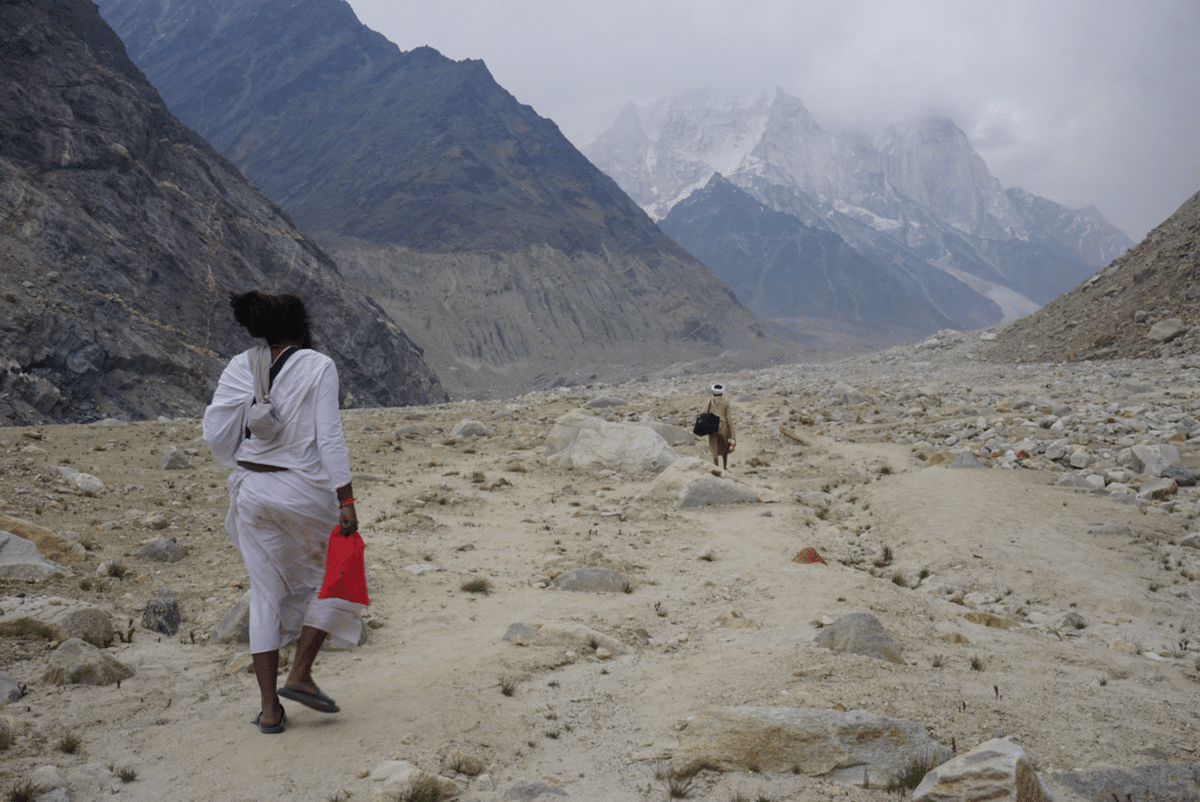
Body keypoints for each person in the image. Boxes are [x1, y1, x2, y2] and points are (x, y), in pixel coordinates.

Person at [202, 290, 362, 734]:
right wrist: (345, 499)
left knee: (266, 594)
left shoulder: (241, 366)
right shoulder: (318, 365)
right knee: (340, 570)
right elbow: (330, 438)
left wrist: (244, 456)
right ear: (299, 326)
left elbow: (215, 432)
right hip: (303, 493)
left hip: (251, 490)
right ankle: (301, 673)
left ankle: (270, 710)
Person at [705, 383, 735, 469]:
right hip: (723, 427)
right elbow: (729, 418)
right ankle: (724, 467)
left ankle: (716, 467)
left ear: (713, 392)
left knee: (714, 447)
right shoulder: (726, 402)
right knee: (724, 447)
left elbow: (703, 413)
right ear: (722, 392)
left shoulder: (709, 402)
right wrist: (732, 434)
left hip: (712, 427)